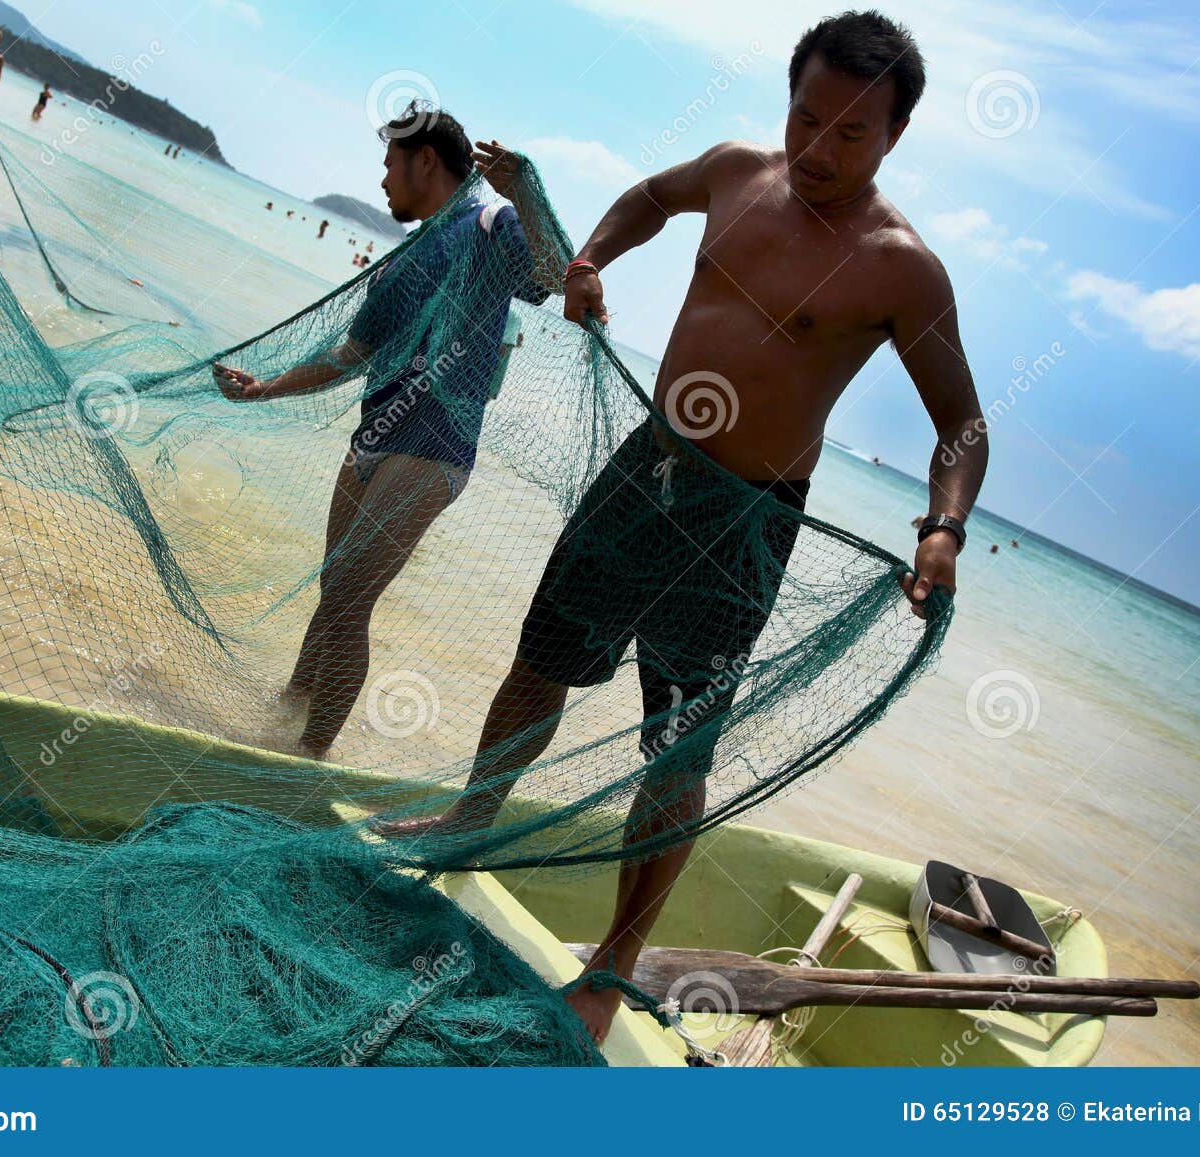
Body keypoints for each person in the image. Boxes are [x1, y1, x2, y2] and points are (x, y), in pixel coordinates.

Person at [375, 11, 987, 1044]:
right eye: (804, 118)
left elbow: (960, 425)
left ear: (893, 138)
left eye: (850, 133)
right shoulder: (735, 170)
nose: (818, 149)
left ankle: (614, 958)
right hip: (647, 467)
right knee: (541, 657)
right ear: (784, 102)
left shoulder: (901, 269)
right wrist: (590, 261)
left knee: (677, 748)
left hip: (742, 523)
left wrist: (942, 528)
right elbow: (647, 201)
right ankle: (470, 819)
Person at [211, 108, 554, 760]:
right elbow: (349, 355)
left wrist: (527, 192)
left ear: (426, 159)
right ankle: (285, 718)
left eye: (390, 163)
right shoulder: (403, 262)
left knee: (347, 600)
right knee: (332, 589)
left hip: (435, 445)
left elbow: (548, 276)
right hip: (373, 438)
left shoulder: (489, 224)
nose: (383, 180)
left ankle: (307, 758)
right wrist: (264, 388)